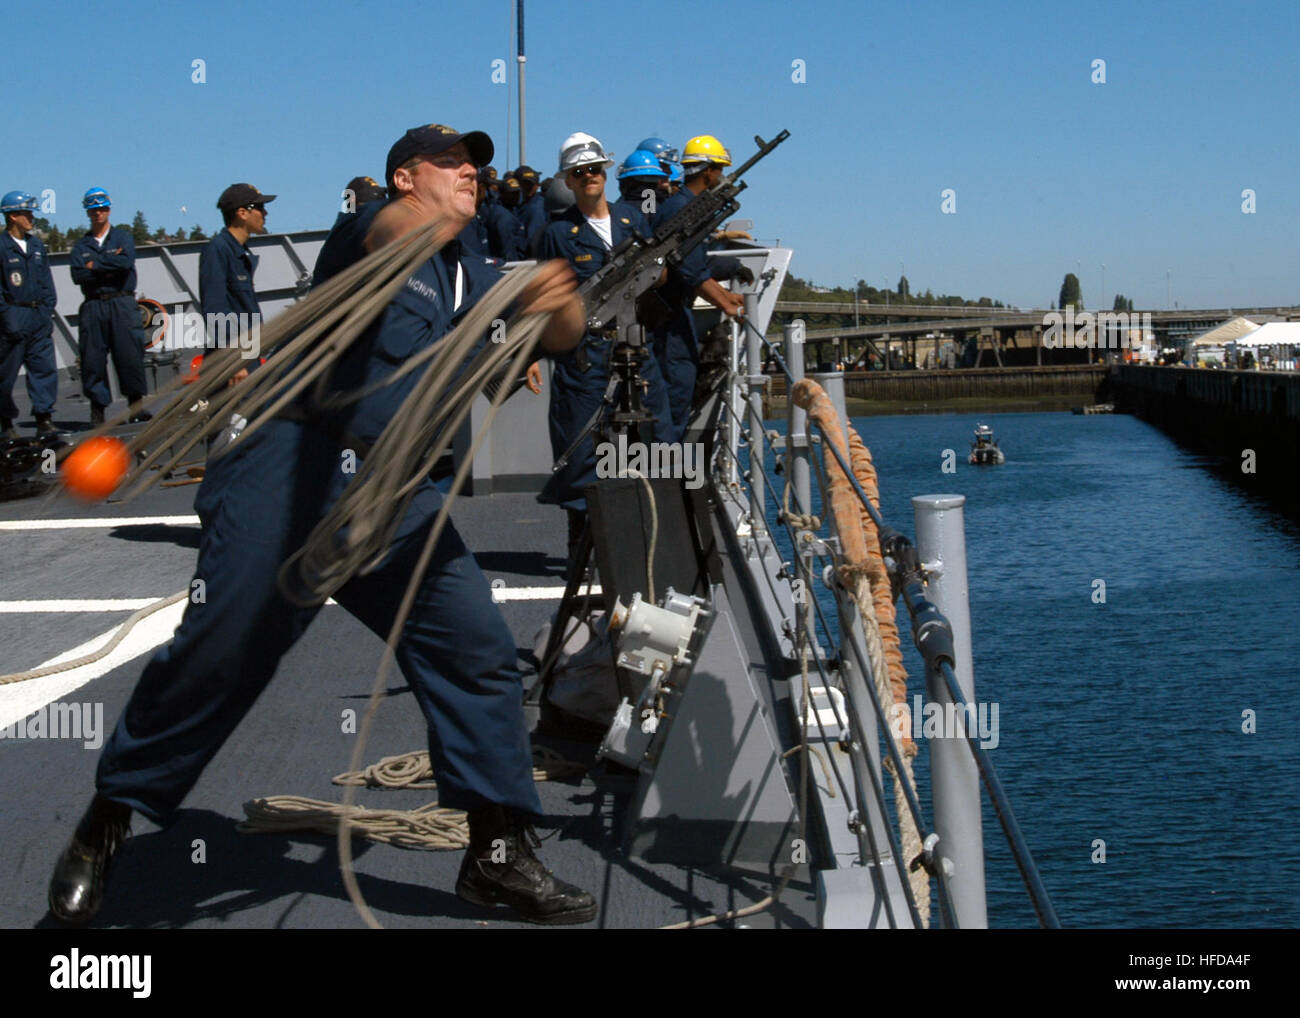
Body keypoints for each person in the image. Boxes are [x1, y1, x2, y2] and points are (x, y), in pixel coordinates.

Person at [47, 122, 595, 927]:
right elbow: (390, 231)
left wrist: (556, 300)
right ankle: (111, 817)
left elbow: (563, 337)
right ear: (406, 177)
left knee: (475, 649)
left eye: (476, 164)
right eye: (451, 164)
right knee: (222, 651)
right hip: (293, 468)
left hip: (395, 492)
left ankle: (497, 855)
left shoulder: (472, 270)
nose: (471, 173)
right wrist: (439, 230)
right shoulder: (370, 226)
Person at [536, 132, 672, 575]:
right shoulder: (557, 234)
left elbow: (660, 277)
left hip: (635, 345)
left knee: (655, 437)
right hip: (587, 356)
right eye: (580, 172)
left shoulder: (633, 220)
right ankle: (583, 547)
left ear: (606, 174)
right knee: (582, 448)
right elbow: (546, 301)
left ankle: (658, 538)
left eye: (595, 169)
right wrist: (535, 357)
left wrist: (654, 273)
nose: (590, 177)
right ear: (569, 182)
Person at [644, 134, 745, 440]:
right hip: (669, 316)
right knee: (677, 383)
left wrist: (727, 294)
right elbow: (689, 268)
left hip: (675, 311)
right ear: (708, 172)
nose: (722, 177)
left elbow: (696, 264)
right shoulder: (681, 209)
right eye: (720, 170)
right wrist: (726, 304)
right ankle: (668, 461)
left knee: (680, 380)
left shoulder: (684, 206)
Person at [68, 188, 150, 426]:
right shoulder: (81, 245)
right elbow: (78, 274)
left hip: (122, 303)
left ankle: (135, 408)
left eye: (102, 209)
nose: (98, 213)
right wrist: (105, 266)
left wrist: (95, 265)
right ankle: (98, 412)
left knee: (129, 355)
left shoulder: (123, 238)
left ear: (109, 210)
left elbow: (126, 263)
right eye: (94, 210)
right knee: (92, 360)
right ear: (87, 212)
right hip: (94, 306)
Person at [200, 183, 275, 385]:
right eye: (259, 208)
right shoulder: (218, 251)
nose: (265, 213)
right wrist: (233, 362)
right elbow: (216, 309)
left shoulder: (241, 253)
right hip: (234, 364)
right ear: (242, 213)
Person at [0, 191, 57, 438]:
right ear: (13, 216)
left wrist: (46, 311)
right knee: (5, 374)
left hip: (38, 316)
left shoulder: (36, 246)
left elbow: (46, 282)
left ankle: (43, 418)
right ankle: (6, 424)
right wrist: (8, 317)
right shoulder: (2, 247)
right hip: (13, 317)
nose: (32, 217)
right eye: (27, 213)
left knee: (43, 368)